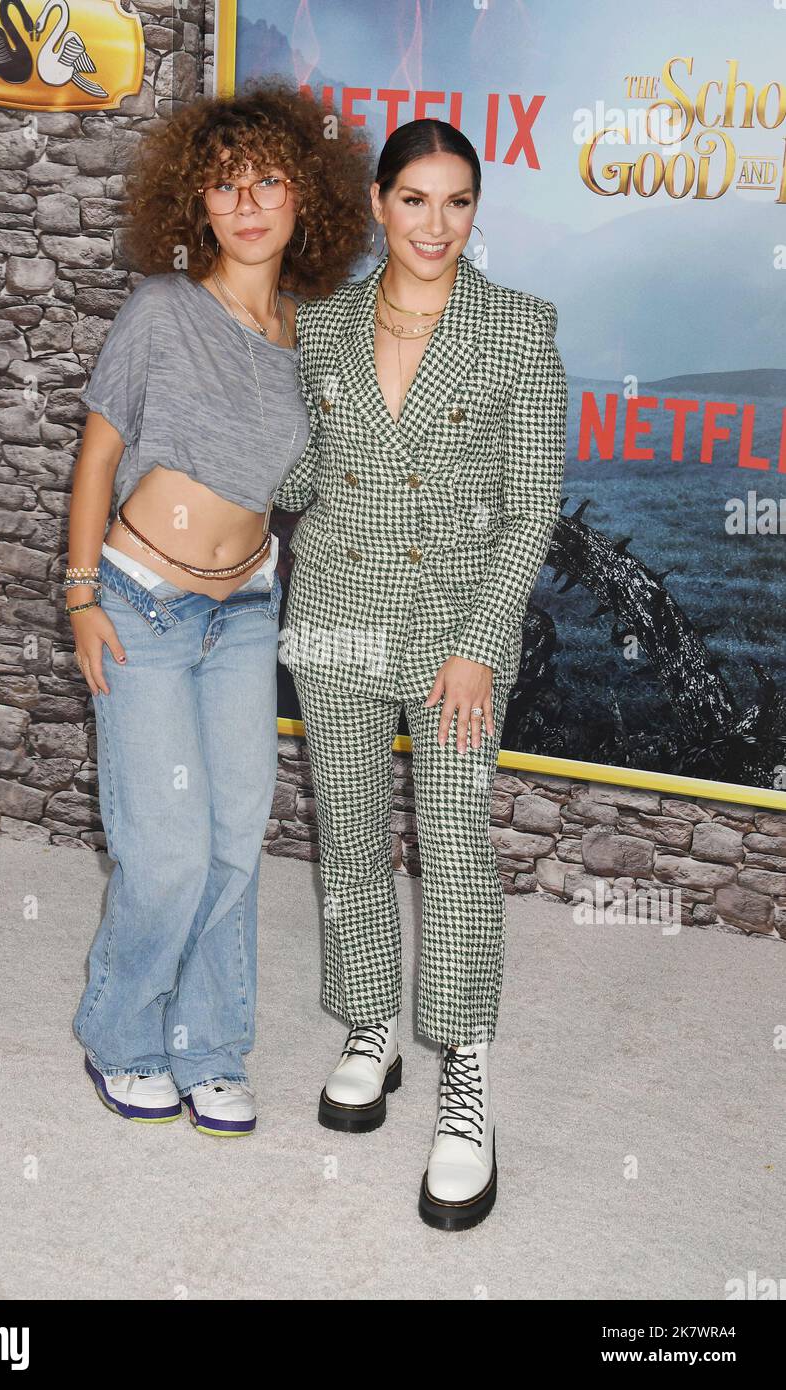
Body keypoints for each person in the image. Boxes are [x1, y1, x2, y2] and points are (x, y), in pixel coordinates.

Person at [274, 118, 568, 1227]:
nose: (434, 224)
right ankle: (366, 1025)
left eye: (455, 202)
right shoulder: (322, 326)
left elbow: (531, 507)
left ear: (473, 209)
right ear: (379, 202)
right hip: (338, 614)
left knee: (450, 844)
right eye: (413, 200)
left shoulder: (517, 329)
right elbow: (299, 477)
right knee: (345, 825)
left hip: (454, 631)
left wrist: (479, 644)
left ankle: (463, 1074)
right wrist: (236, 412)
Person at [66, 82, 371, 1135]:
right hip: (139, 603)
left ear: (305, 201)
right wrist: (76, 597)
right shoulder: (159, 309)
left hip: (244, 612)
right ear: (195, 203)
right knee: (167, 851)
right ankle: (120, 1032)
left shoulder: (313, 336)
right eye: (225, 184)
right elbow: (98, 456)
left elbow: (318, 475)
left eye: (268, 182)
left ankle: (207, 1046)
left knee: (236, 839)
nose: (247, 204)